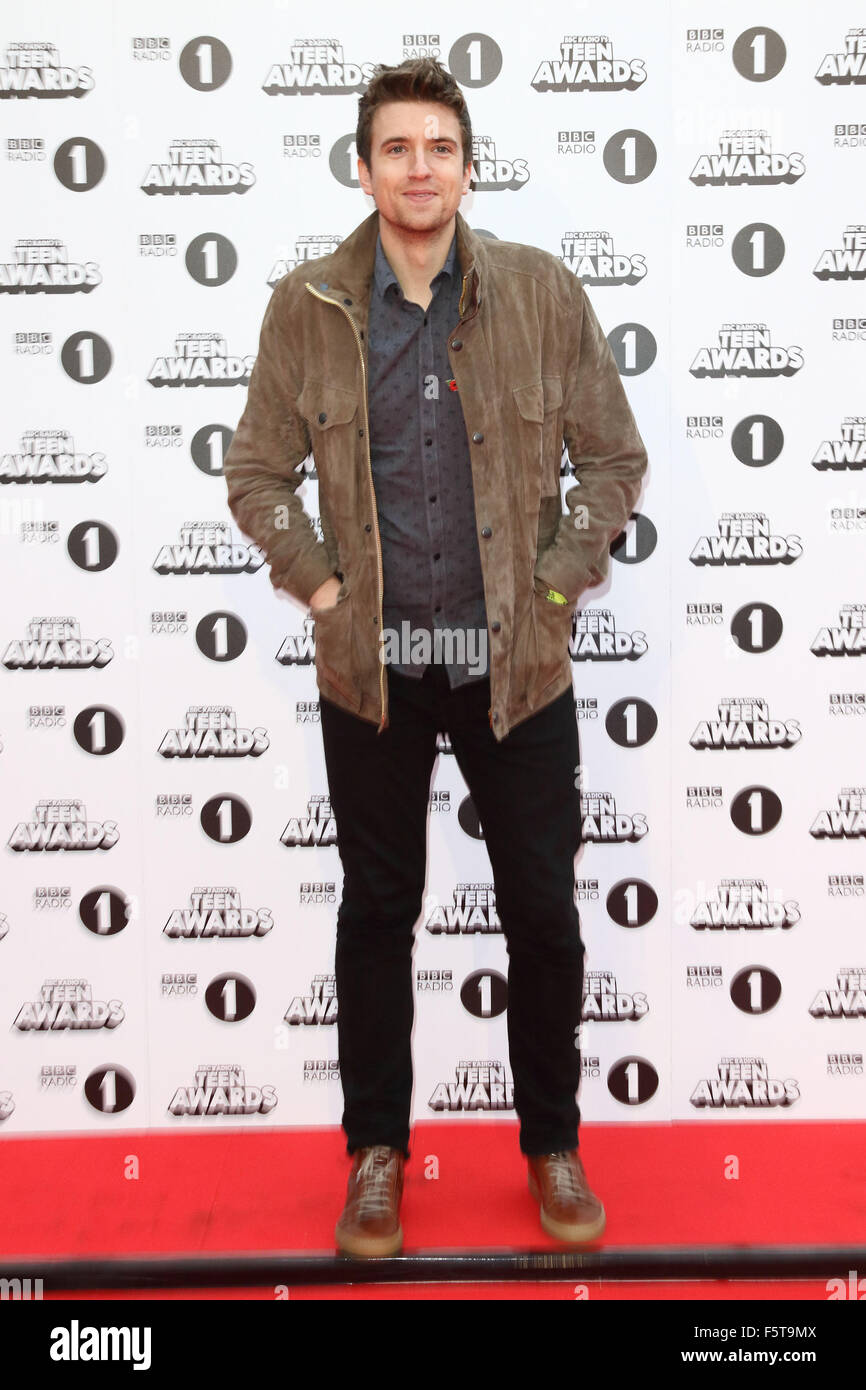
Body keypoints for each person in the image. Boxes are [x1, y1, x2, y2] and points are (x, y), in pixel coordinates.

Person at [223, 57, 648, 1257]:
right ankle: (374, 1156)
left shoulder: (538, 292)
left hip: (514, 668)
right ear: (364, 167)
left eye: (440, 148)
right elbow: (256, 470)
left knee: (544, 917)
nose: (420, 168)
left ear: (468, 165)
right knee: (376, 912)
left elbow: (611, 460)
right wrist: (318, 583)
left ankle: (551, 1144)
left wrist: (557, 580)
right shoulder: (307, 304)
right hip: (376, 671)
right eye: (397, 149)